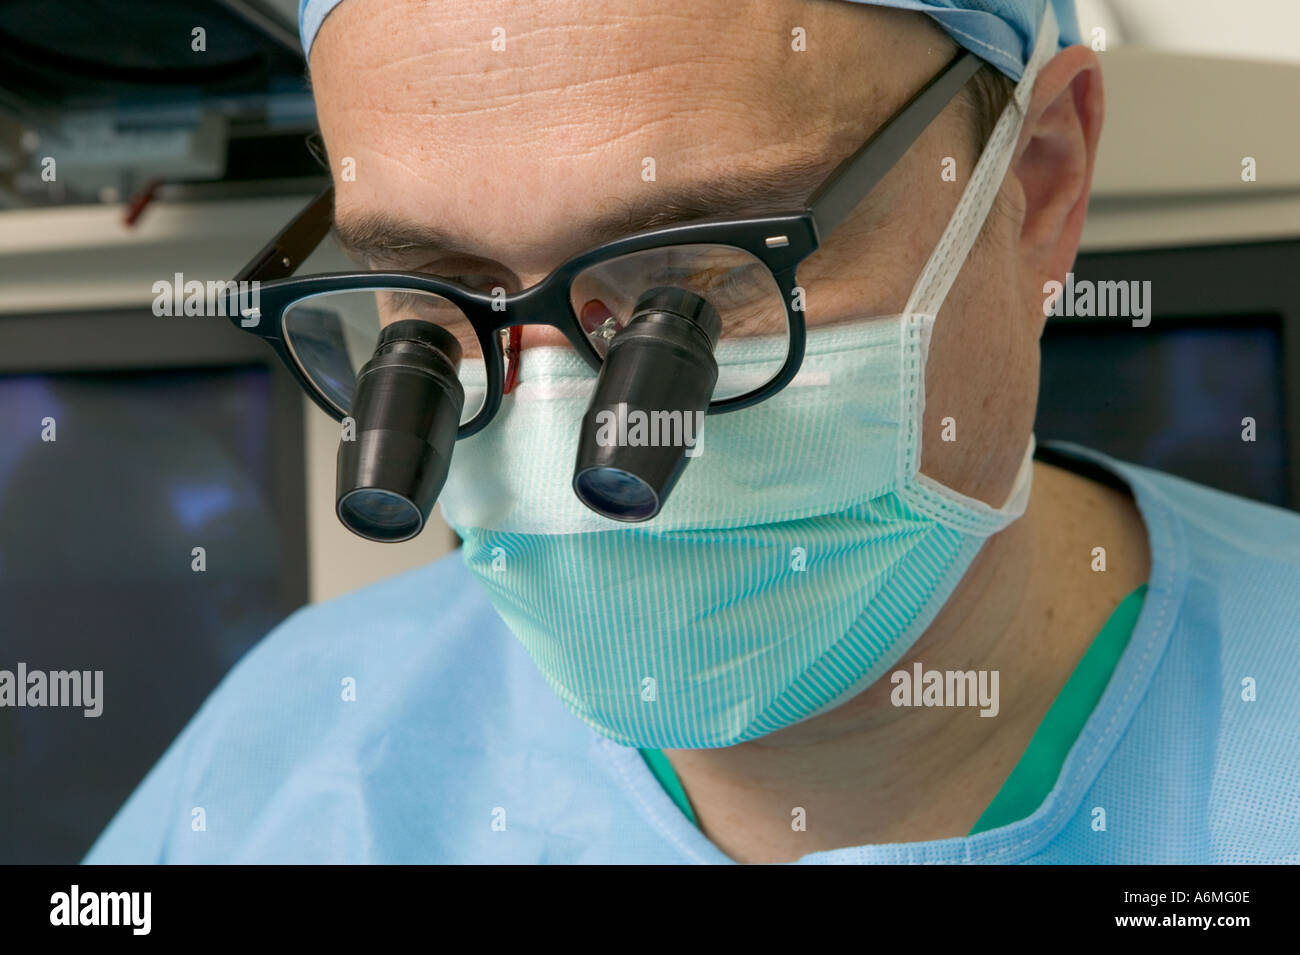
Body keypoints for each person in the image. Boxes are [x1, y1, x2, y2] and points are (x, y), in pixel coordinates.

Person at [84, 0, 1300, 865]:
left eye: (701, 276)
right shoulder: (295, 748)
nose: (566, 422)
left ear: (1036, 180)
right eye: (436, 291)